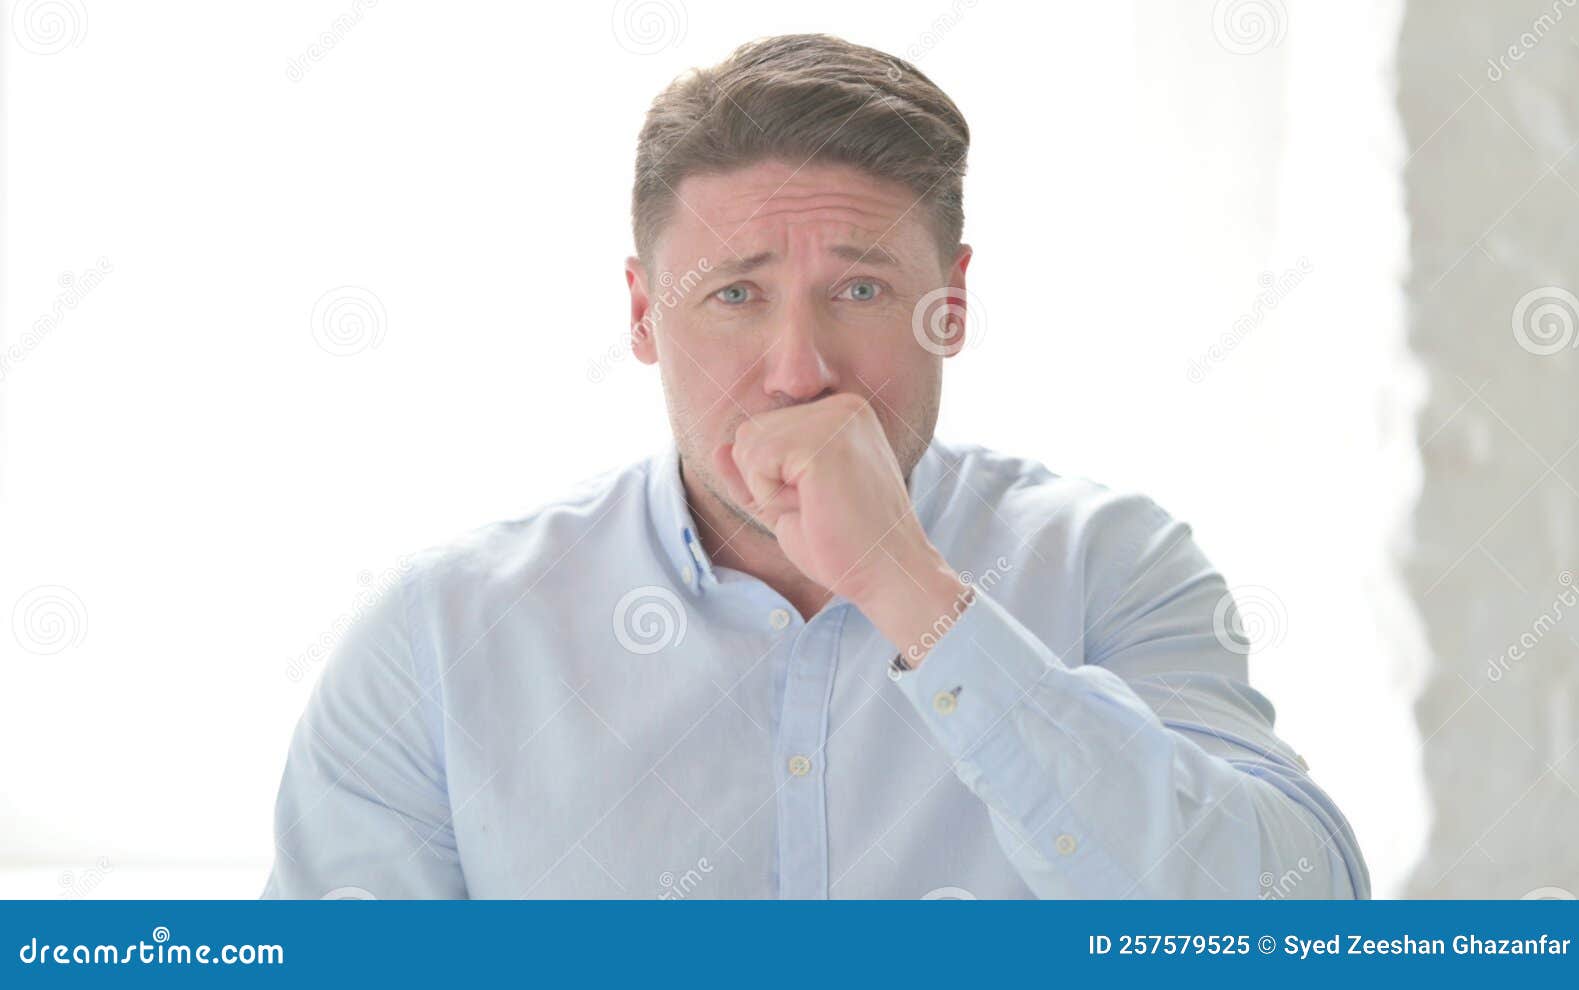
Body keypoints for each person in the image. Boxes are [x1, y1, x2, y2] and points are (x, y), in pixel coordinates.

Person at [263, 33, 1369, 899]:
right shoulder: (442, 635)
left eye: (860, 291)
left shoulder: (1109, 564)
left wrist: (913, 593)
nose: (798, 372)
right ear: (645, 316)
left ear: (953, 302)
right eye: (734, 295)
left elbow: (1287, 927)